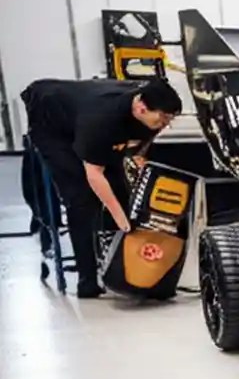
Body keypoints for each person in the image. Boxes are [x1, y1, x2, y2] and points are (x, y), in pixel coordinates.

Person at [20, 77, 181, 297]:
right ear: (141, 108)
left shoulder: (150, 110)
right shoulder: (101, 120)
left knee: (121, 191)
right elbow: (94, 175)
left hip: (89, 116)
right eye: (163, 118)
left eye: (170, 119)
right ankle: (87, 281)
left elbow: (139, 145)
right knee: (81, 198)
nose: (165, 124)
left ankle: (119, 265)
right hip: (52, 121)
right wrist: (123, 222)